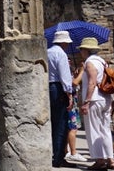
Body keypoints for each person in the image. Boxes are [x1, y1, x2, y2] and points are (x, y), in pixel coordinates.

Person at [79, 37, 114, 170]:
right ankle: (110, 159)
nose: (81, 52)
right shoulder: (102, 62)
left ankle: (100, 160)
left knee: (93, 129)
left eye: (82, 49)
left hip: (94, 99)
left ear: (86, 50)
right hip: (105, 98)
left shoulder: (90, 63)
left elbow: (92, 83)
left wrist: (86, 101)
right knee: (105, 129)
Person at [48, 30, 75, 168]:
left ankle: (54, 153)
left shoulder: (48, 52)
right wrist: (69, 94)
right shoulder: (61, 54)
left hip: (49, 87)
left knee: (53, 122)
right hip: (58, 88)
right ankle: (58, 157)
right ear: (64, 42)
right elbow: (65, 76)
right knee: (61, 123)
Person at [65, 64, 87, 163]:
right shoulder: (66, 75)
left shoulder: (68, 75)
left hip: (73, 105)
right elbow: (74, 83)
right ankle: (73, 152)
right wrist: (82, 71)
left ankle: (66, 151)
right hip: (71, 106)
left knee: (69, 129)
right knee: (72, 128)